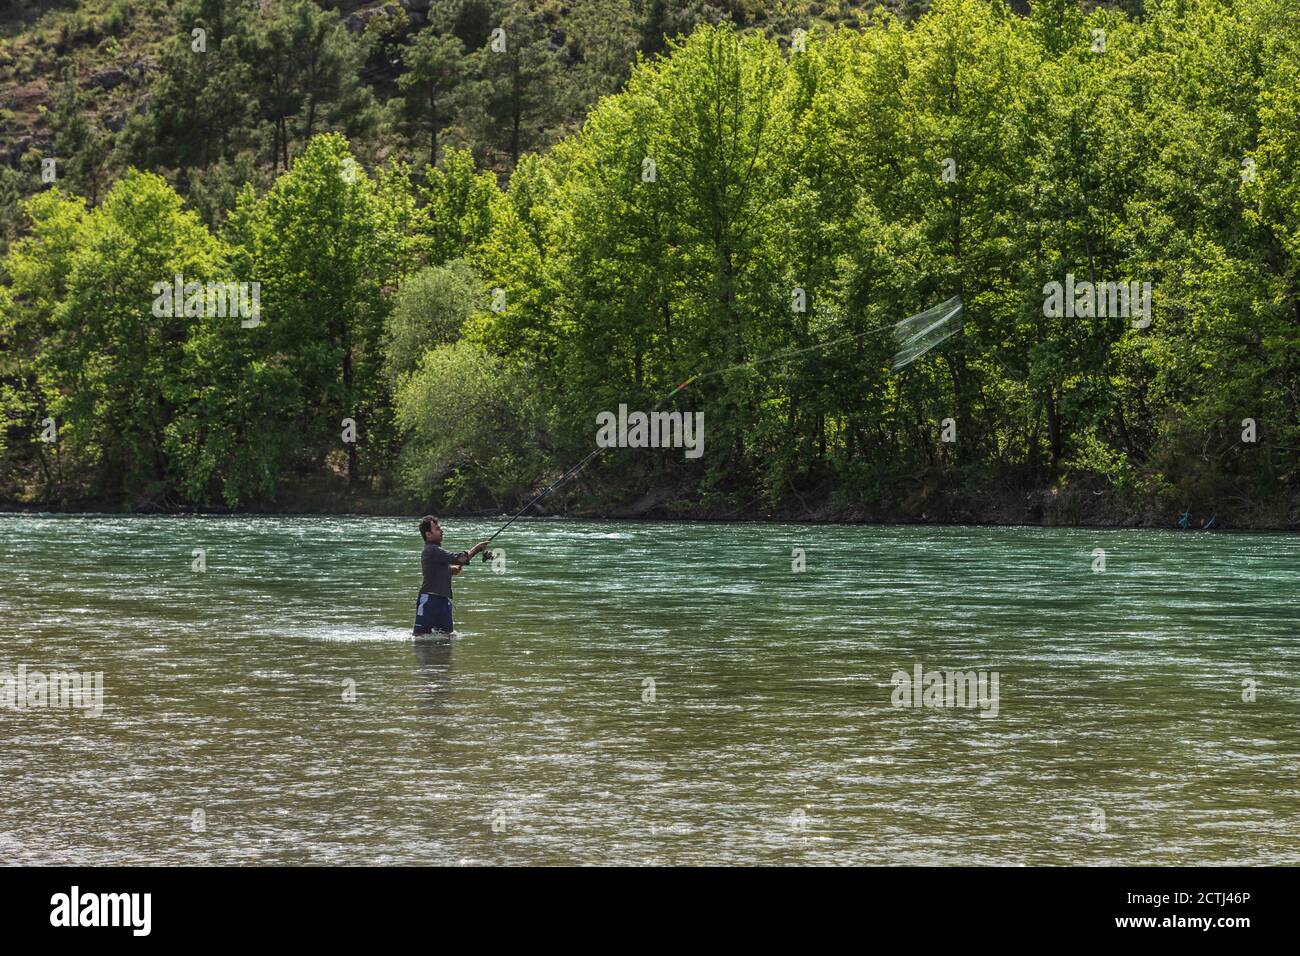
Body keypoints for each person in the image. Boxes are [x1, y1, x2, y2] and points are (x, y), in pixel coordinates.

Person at [413, 516, 490, 636]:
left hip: (443, 602)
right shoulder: (432, 550)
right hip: (429, 602)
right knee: (421, 639)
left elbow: (454, 569)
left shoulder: (436, 551)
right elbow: (460, 559)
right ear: (428, 534)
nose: (441, 531)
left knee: (446, 639)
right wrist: (478, 548)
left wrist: (456, 567)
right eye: (437, 529)